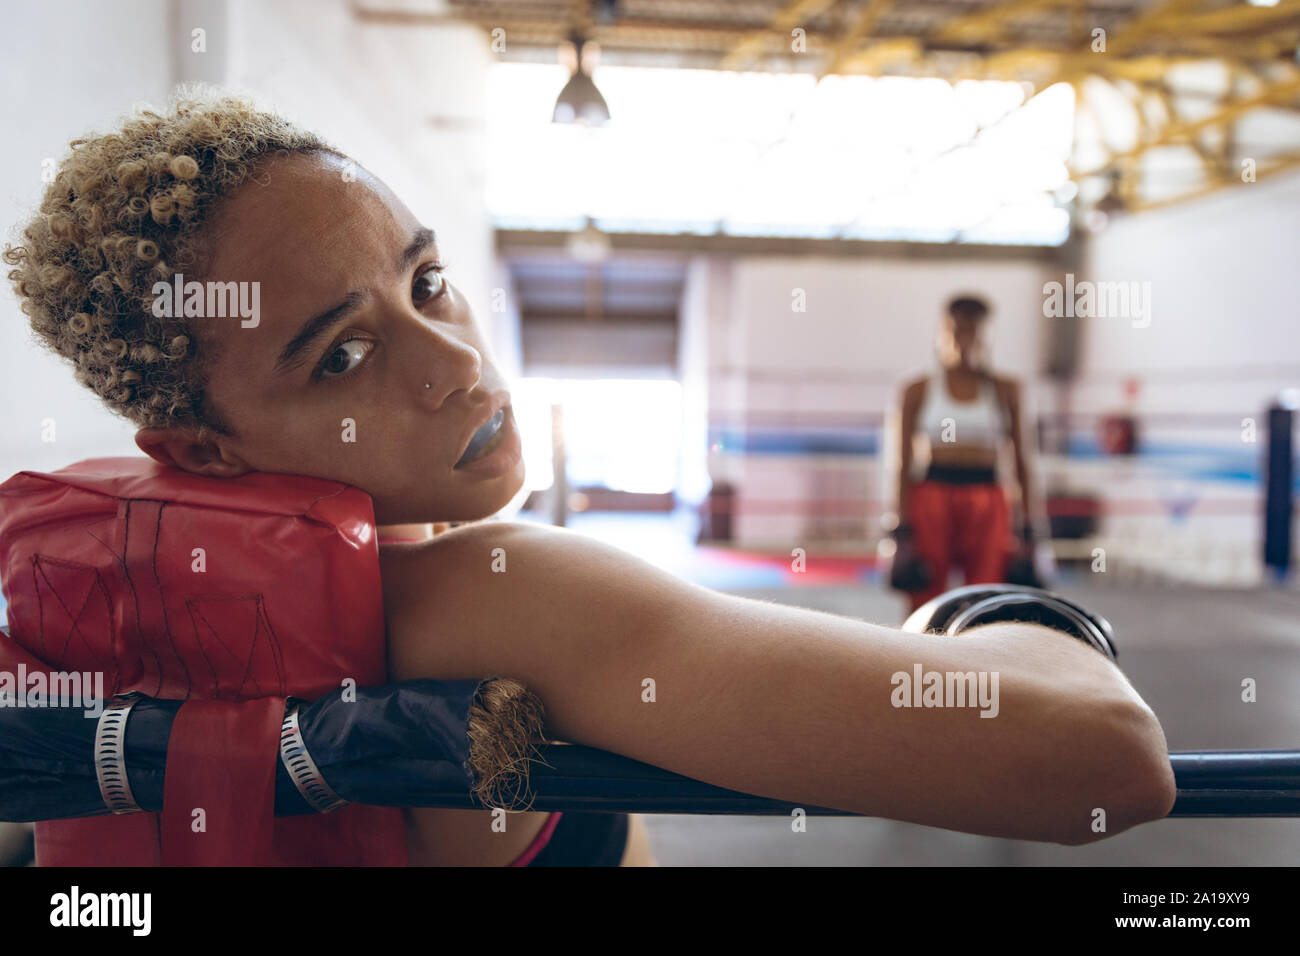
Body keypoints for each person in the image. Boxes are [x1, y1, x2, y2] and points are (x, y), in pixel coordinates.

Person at [3, 92, 1175, 865]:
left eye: (428, 281)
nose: (456, 361)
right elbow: (1098, 755)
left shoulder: (81, 618)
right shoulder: (499, 595)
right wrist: (995, 608)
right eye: (343, 354)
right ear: (199, 443)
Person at [889, 296, 1044, 611]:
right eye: (958, 331)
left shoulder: (1005, 389)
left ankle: (977, 658)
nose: (965, 340)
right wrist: (901, 527)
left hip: (988, 499)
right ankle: (916, 658)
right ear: (943, 333)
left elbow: (1022, 463)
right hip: (933, 497)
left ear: (985, 337)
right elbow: (902, 463)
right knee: (924, 594)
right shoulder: (918, 389)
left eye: (973, 332)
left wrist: (1030, 528)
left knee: (986, 596)